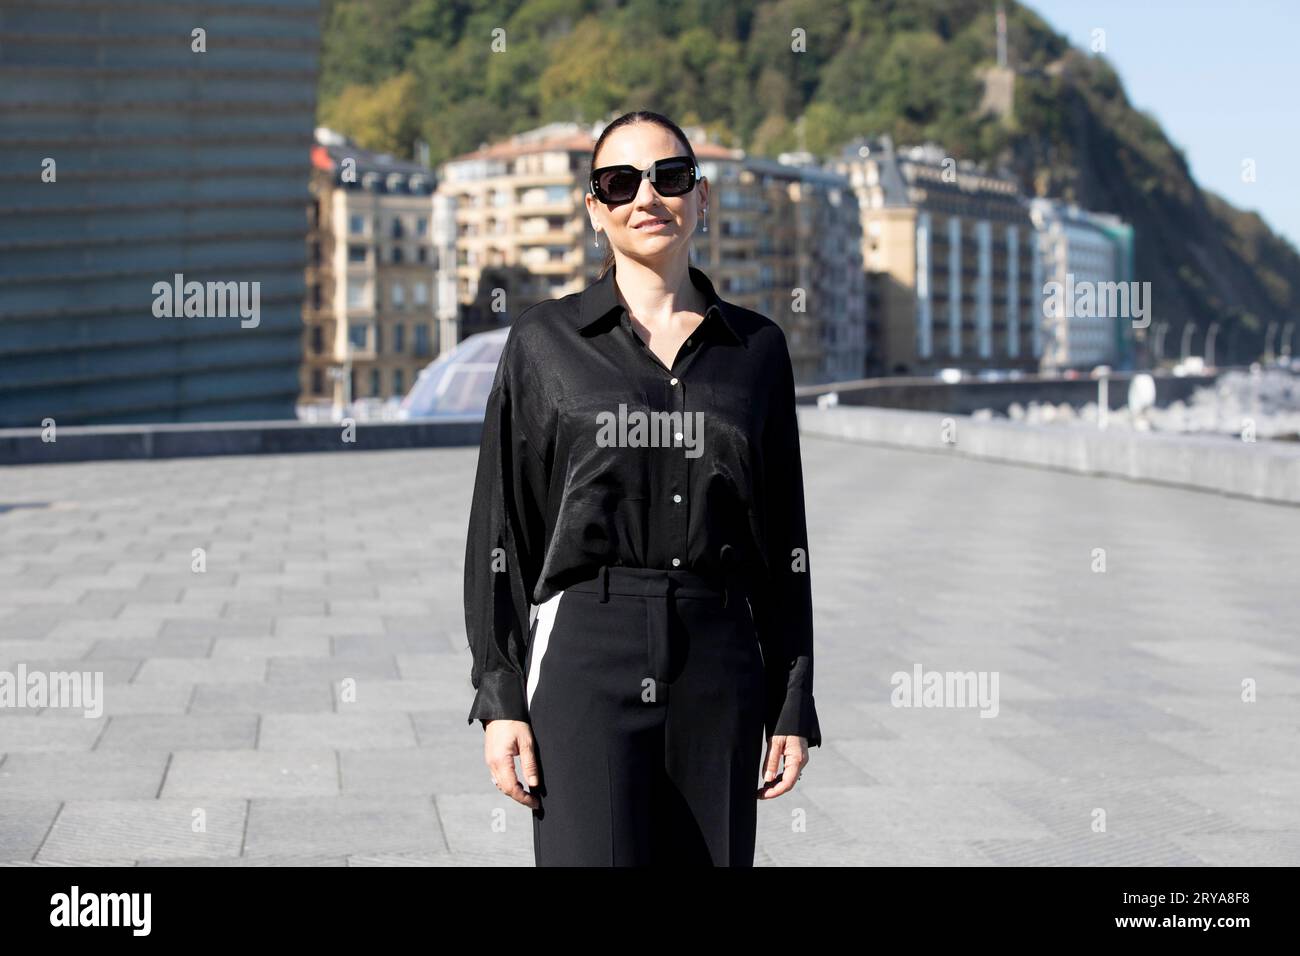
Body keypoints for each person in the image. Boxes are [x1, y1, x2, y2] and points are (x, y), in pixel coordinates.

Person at [464, 109, 821, 866]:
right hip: (589, 659)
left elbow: (784, 538)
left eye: (671, 177)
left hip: (720, 664)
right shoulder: (544, 343)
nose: (647, 196)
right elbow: (503, 533)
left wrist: (793, 698)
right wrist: (501, 698)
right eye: (619, 182)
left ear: (702, 197)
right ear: (595, 209)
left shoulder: (756, 350)